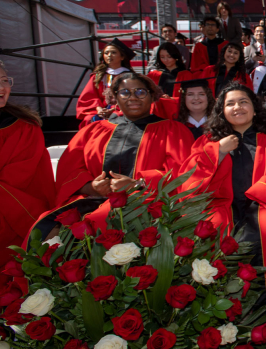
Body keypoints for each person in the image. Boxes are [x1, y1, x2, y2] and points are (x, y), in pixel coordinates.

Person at [180, 83, 266, 331]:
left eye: (243, 102)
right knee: (212, 232)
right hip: (224, 208)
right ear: (221, 111)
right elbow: (188, 182)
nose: (238, 107)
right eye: (230, 103)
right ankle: (225, 313)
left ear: (255, 109)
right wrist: (218, 152)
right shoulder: (209, 141)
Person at [37, 73, 193, 236]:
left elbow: (181, 174)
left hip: (148, 203)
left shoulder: (173, 131)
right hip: (90, 202)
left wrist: (136, 184)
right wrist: (91, 187)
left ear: (152, 96)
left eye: (140, 92)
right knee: (46, 229)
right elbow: (69, 171)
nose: (133, 97)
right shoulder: (92, 131)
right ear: (115, 97)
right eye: (125, 93)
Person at [0, 59, 55, 291]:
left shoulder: (24, 128)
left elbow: (15, 183)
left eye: (4, 81)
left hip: (8, 218)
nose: (0, 87)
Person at [76, 39, 134, 128]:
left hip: (121, 109)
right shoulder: (98, 76)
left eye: (113, 52)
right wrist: (99, 109)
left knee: (118, 117)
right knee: (89, 119)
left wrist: (114, 109)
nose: (109, 55)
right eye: (106, 53)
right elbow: (89, 97)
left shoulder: (131, 77)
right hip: (100, 110)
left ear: (122, 57)